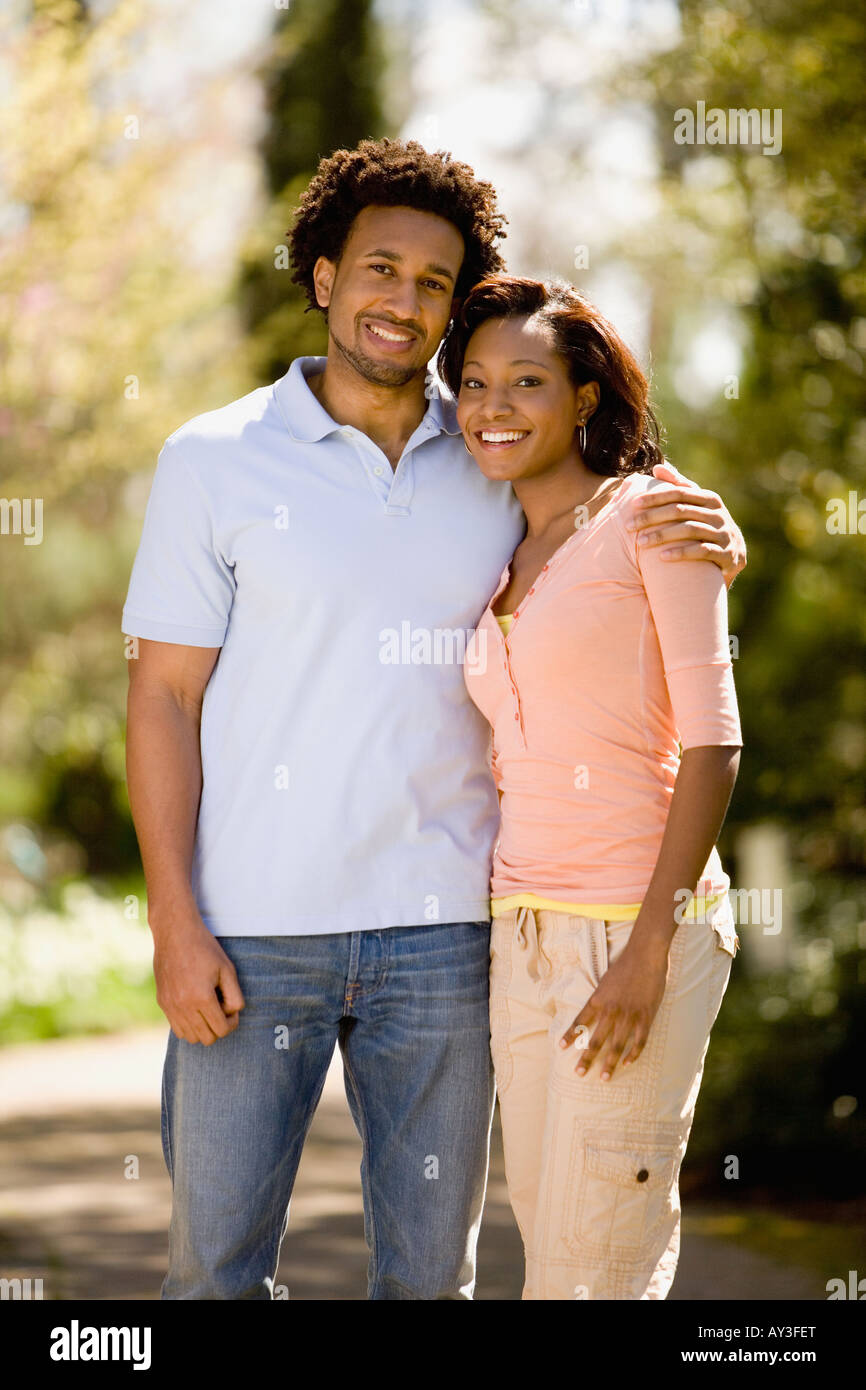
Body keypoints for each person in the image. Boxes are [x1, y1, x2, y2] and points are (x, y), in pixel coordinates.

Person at [121, 138, 746, 1300]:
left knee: (430, 1282)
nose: (402, 301)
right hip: (254, 932)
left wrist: (712, 540)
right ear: (322, 277)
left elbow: (602, 542)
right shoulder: (212, 460)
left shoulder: (489, 455)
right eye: (379, 268)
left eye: (432, 282)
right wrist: (173, 919)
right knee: (212, 1274)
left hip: (450, 941)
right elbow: (160, 695)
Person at [439, 273, 743, 1300]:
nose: (493, 405)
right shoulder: (503, 553)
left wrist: (649, 944)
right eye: (473, 382)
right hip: (519, 932)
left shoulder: (654, 515)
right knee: (554, 1253)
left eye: (525, 380)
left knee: (594, 1269)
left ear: (582, 397)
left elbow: (713, 742)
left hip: (632, 927)